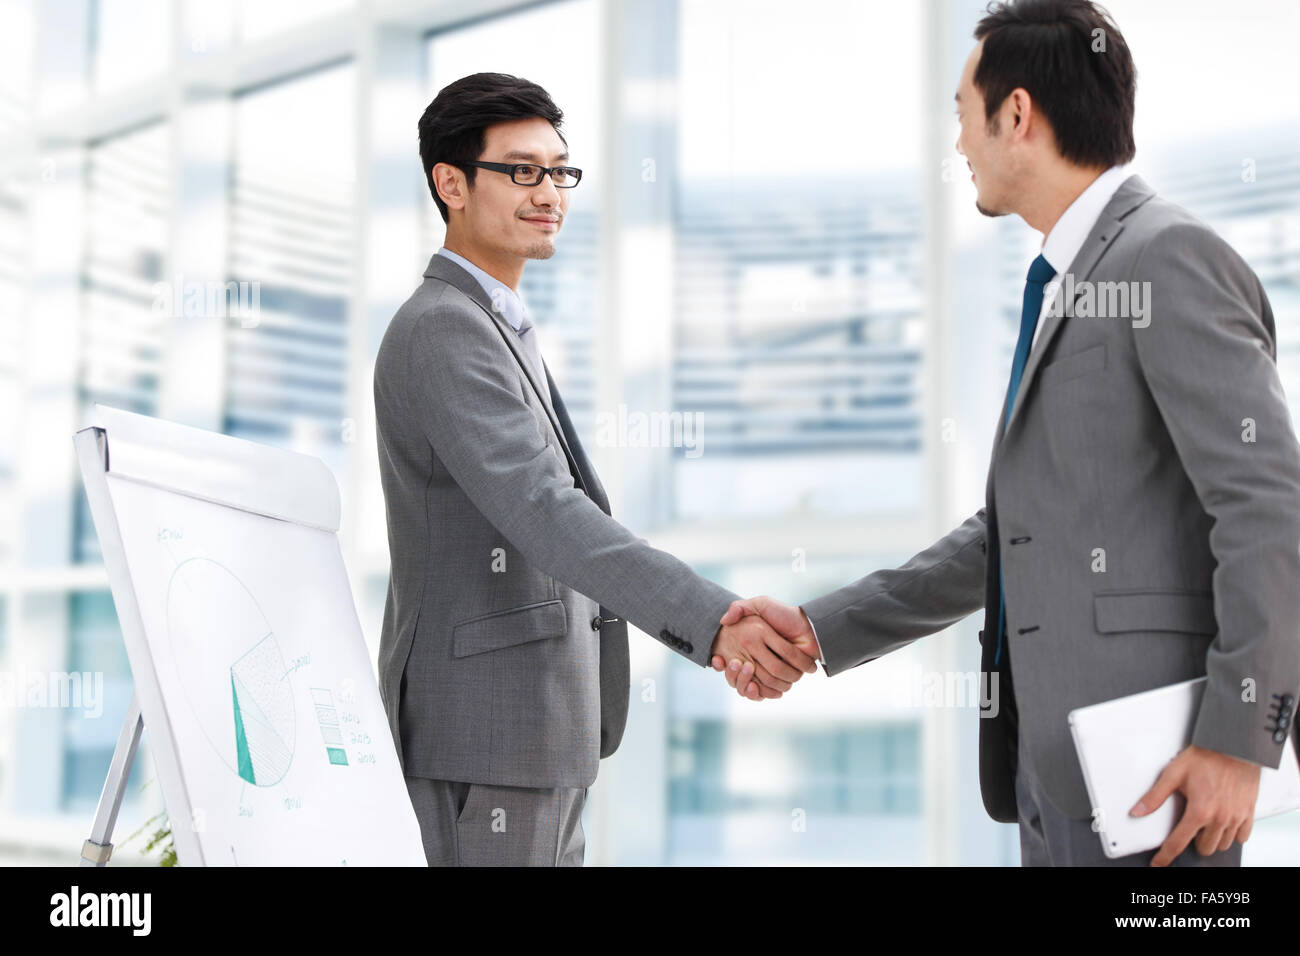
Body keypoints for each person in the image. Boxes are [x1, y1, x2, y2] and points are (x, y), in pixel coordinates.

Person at [717, 0, 1300, 867]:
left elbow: (1269, 506)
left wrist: (1240, 739)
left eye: (963, 113)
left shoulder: (1166, 256)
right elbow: (1012, 536)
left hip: (1165, 776)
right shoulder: (1068, 278)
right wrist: (819, 627)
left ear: (1016, 114)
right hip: (1058, 773)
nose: (959, 144)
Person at [373, 72, 816, 867]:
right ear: (450, 183)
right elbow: (545, 510)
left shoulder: (494, 322)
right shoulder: (444, 327)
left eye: (558, 170)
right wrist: (715, 618)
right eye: (520, 170)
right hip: (484, 737)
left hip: (533, 732)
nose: (549, 192)